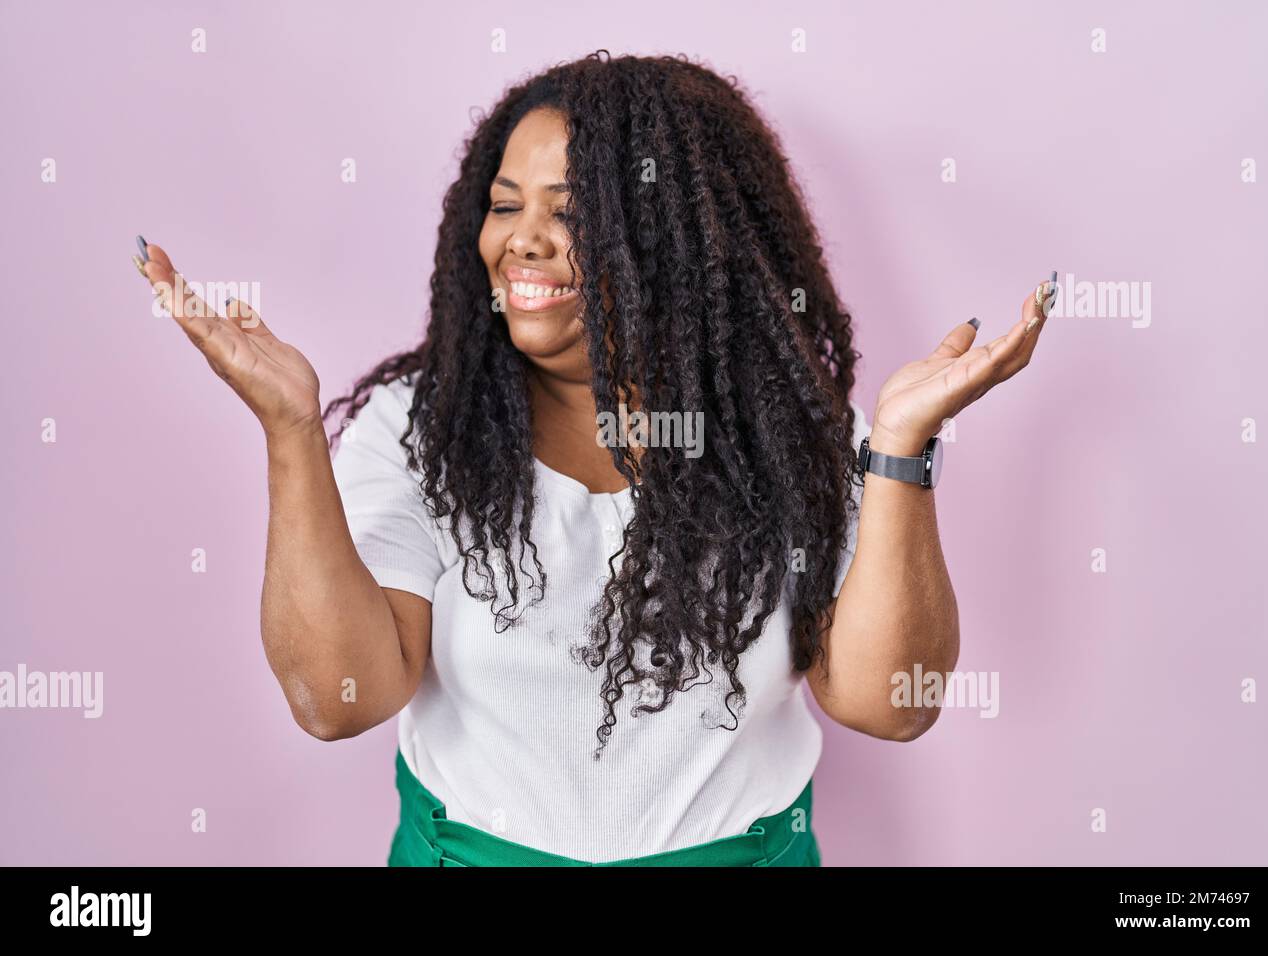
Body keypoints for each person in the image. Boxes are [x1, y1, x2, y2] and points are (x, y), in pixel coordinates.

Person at [131, 51, 1052, 867]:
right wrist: (290, 431)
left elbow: (893, 703)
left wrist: (896, 450)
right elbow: (337, 701)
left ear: (677, 243)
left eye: (571, 213)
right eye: (504, 206)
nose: (522, 241)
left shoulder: (789, 435)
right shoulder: (422, 431)